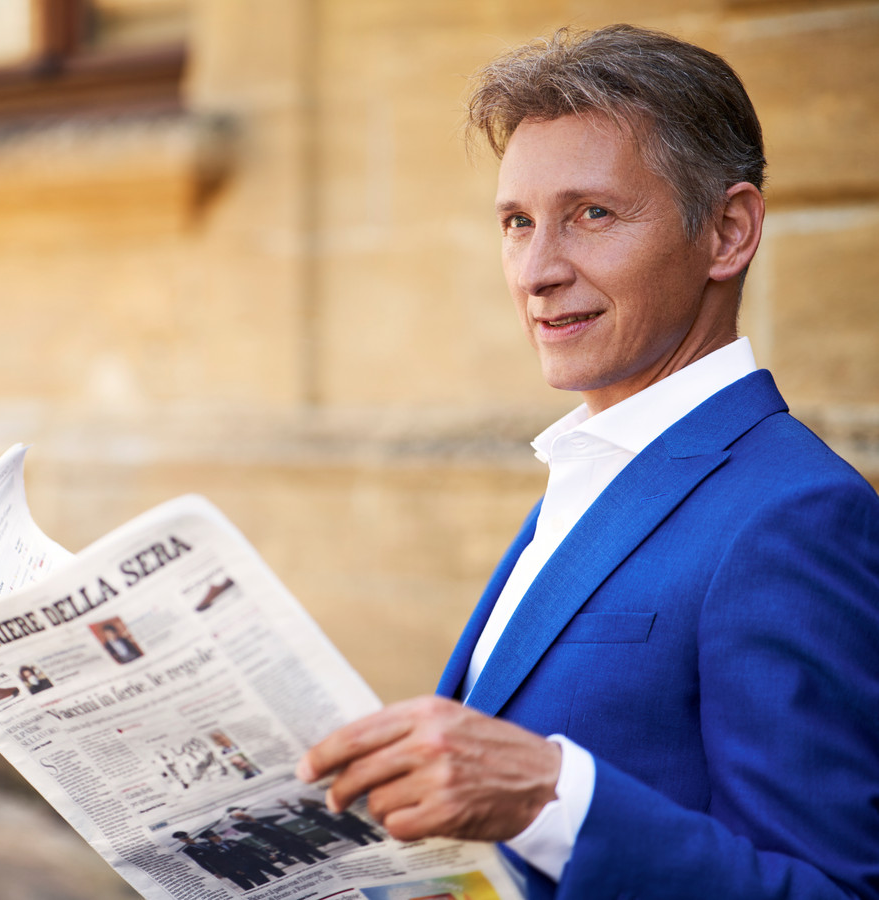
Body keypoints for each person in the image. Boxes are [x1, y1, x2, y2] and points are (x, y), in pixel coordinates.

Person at [295, 23, 879, 900]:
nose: (536, 270)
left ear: (728, 233)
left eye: (592, 214)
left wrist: (551, 797)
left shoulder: (793, 515)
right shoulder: (593, 465)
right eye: (517, 223)